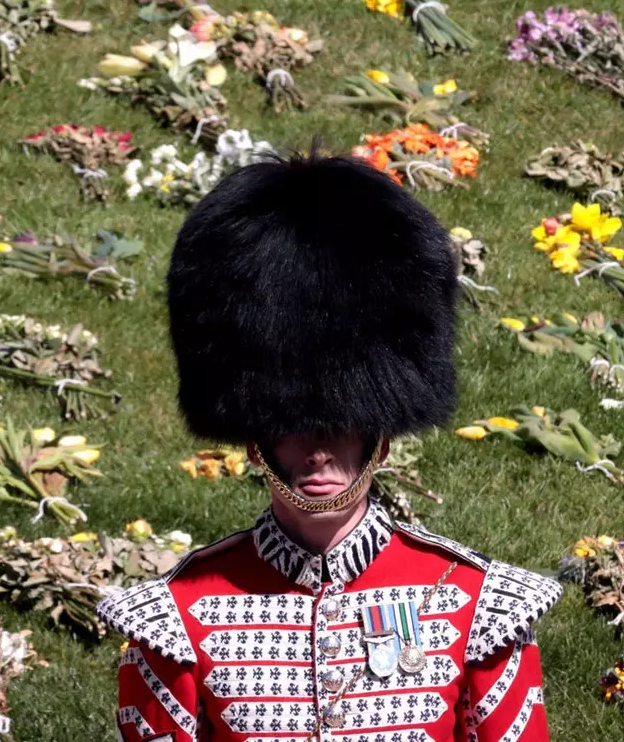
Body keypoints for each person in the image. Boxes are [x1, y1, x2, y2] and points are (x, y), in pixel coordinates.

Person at [100, 150, 560, 741]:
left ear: (381, 438)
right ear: (255, 440)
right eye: (293, 428)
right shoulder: (179, 615)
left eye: (341, 426)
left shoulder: (475, 602)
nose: (318, 452)